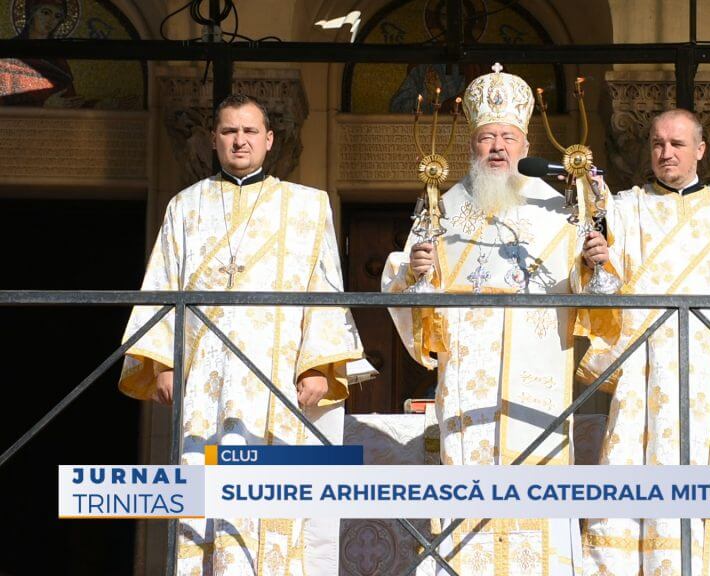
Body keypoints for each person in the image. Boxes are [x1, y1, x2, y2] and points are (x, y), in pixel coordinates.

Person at [118, 93, 371, 575]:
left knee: (272, 497)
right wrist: (164, 362)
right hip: (204, 380)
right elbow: (163, 283)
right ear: (214, 140)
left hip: (276, 381)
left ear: (269, 140)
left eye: (250, 131)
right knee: (202, 490)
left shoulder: (307, 206)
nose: (240, 140)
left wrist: (318, 365)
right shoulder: (184, 207)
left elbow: (325, 284)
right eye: (230, 131)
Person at [382, 63, 595, 575]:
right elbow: (411, 293)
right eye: (485, 138)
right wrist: (416, 273)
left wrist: (592, 265)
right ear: (471, 146)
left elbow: (592, 290)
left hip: (538, 373)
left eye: (507, 137)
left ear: (524, 144)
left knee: (537, 478)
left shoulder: (560, 208)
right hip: (467, 376)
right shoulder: (441, 208)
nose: (497, 147)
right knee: (465, 477)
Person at [579, 108, 710, 575]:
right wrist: (594, 260)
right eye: (657, 144)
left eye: (677, 144)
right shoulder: (623, 208)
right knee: (639, 475)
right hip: (648, 372)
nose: (665, 153)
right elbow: (601, 290)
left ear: (700, 150)